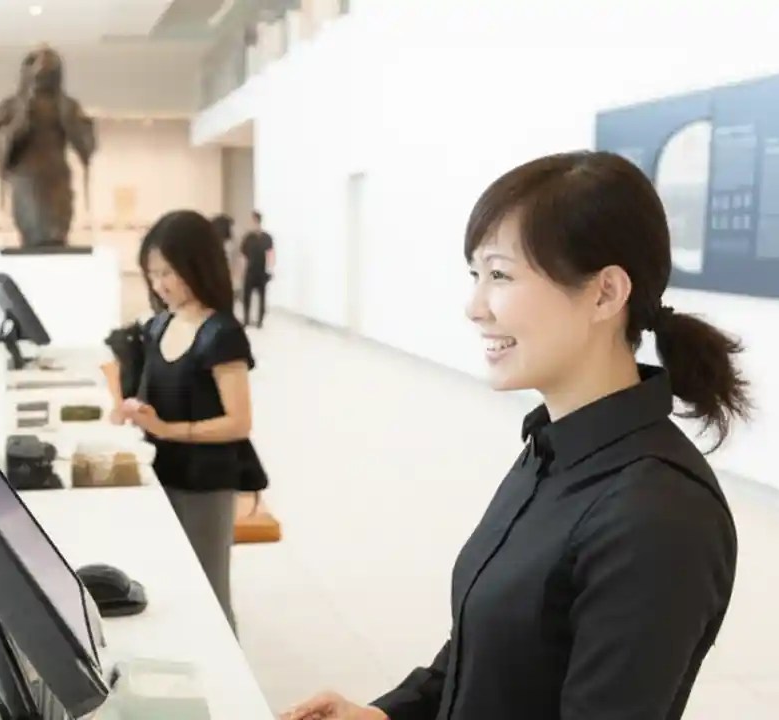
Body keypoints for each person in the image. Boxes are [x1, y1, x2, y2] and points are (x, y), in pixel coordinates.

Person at [281, 151, 744, 720]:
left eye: (500, 275)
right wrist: (387, 716)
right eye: (475, 275)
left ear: (605, 293)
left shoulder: (656, 514)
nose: (475, 307)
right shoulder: (552, 448)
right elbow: (492, 651)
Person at [118, 210, 265, 633]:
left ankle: (229, 695)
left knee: (209, 592)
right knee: (171, 588)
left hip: (204, 481)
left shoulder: (221, 333)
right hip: (160, 471)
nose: (160, 284)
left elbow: (238, 422)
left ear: (197, 266)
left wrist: (170, 430)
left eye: (169, 272)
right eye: (153, 273)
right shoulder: (161, 324)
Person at [240, 210, 274, 328]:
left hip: (261, 271)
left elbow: (270, 253)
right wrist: (242, 271)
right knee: (246, 296)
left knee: (262, 297)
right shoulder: (248, 238)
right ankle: (246, 319)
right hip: (250, 271)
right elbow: (243, 256)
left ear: (257, 221)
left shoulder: (267, 237)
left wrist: (270, 269)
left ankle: (260, 321)